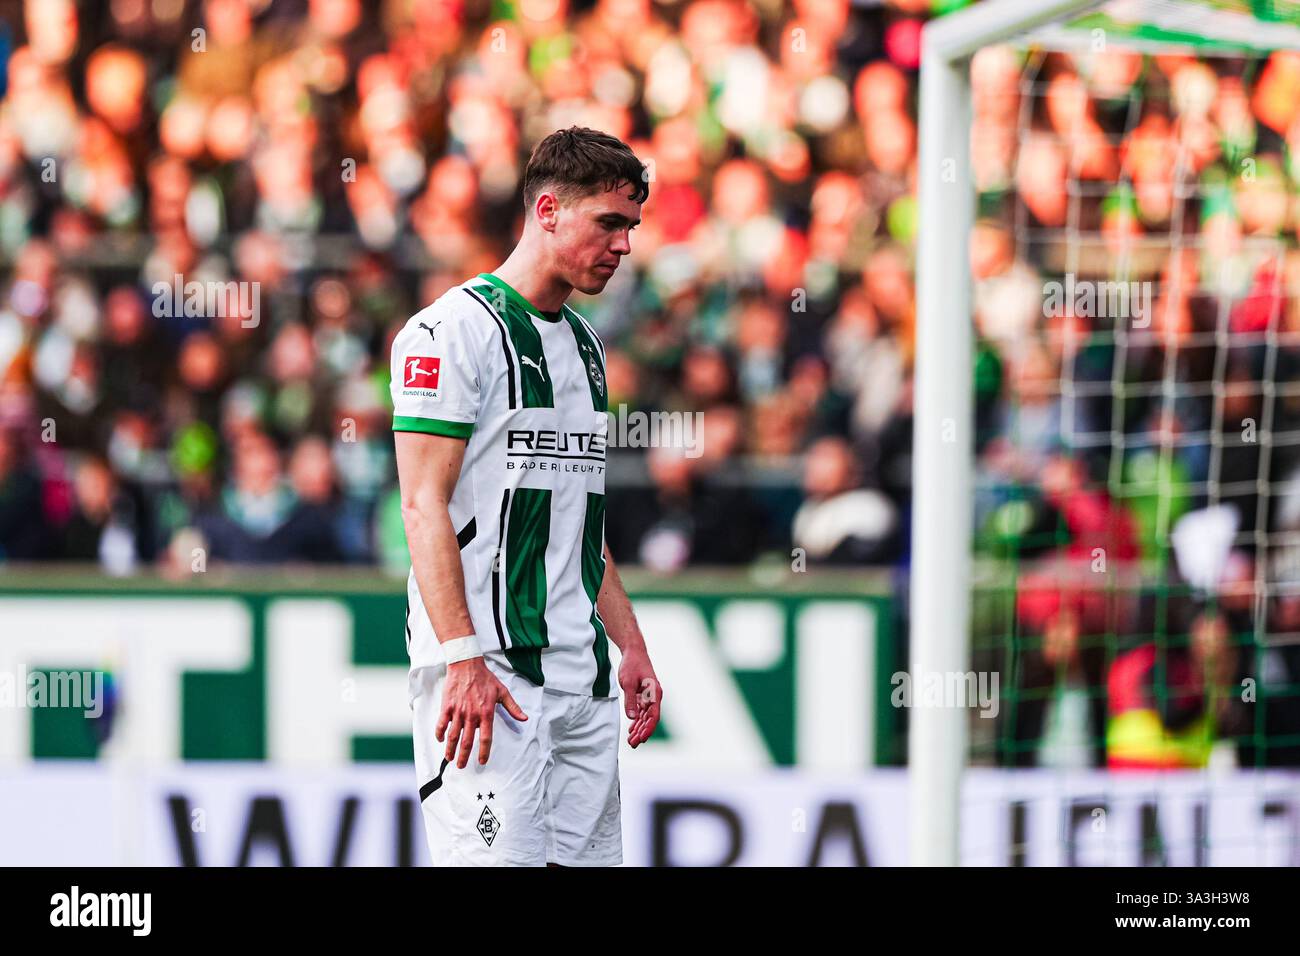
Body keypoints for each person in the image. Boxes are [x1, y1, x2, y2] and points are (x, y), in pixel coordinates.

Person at [392, 127, 663, 867]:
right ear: (547, 210)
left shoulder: (586, 346)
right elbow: (421, 505)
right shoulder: (450, 331)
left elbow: (580, 523)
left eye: (631, 227)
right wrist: (461, 659)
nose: (624, 245)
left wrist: (629, 644)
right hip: (492, 678)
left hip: (584, 677)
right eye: (609, 223)